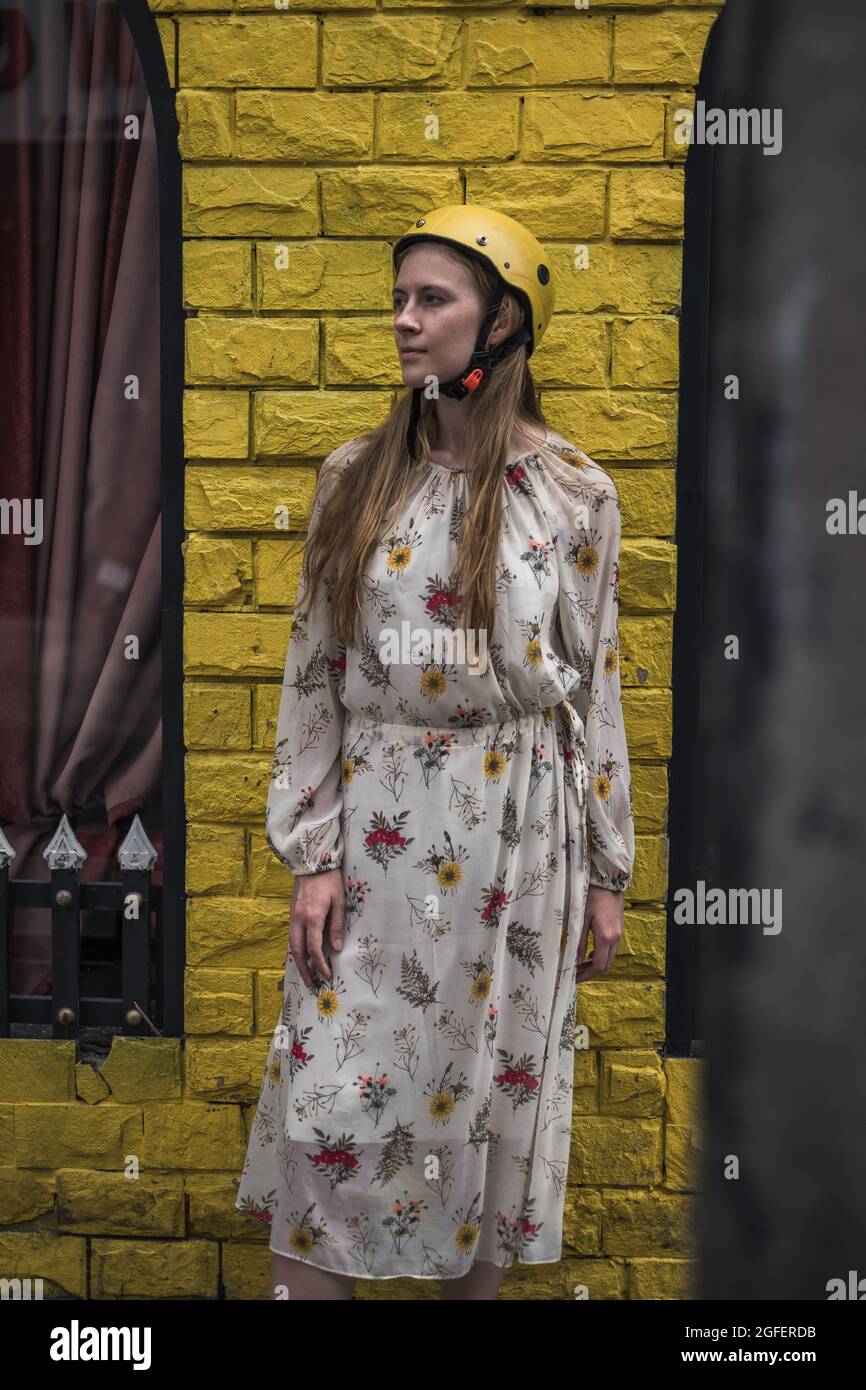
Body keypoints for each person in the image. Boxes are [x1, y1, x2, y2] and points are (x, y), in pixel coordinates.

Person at [234, 205, 635, 1301]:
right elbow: (314, 674)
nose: (403, 321)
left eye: (432, 299)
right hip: (376, 832)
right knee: (331, 1103)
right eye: (398, 298)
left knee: (490, 1105)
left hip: (520, 833)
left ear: (501, 321)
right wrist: (313, 851)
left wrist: (606, 872)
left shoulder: (571, 495)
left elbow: (590, 691)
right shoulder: (355, 478)